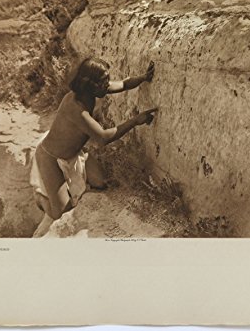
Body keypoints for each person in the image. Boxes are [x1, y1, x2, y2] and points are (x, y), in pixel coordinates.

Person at [30, 57, 157, 237]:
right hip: (50, 157)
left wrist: (144, 77)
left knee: (101, 183)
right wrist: (136, 121)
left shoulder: (93, 91)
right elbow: (103, 138)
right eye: (104, 81)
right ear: (91, 85)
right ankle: (41, 199)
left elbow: (123, 84)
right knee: (62, 213)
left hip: (74, 152)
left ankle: (72, 181)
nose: (108, 84)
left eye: (107, 79)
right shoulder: (75, 107)